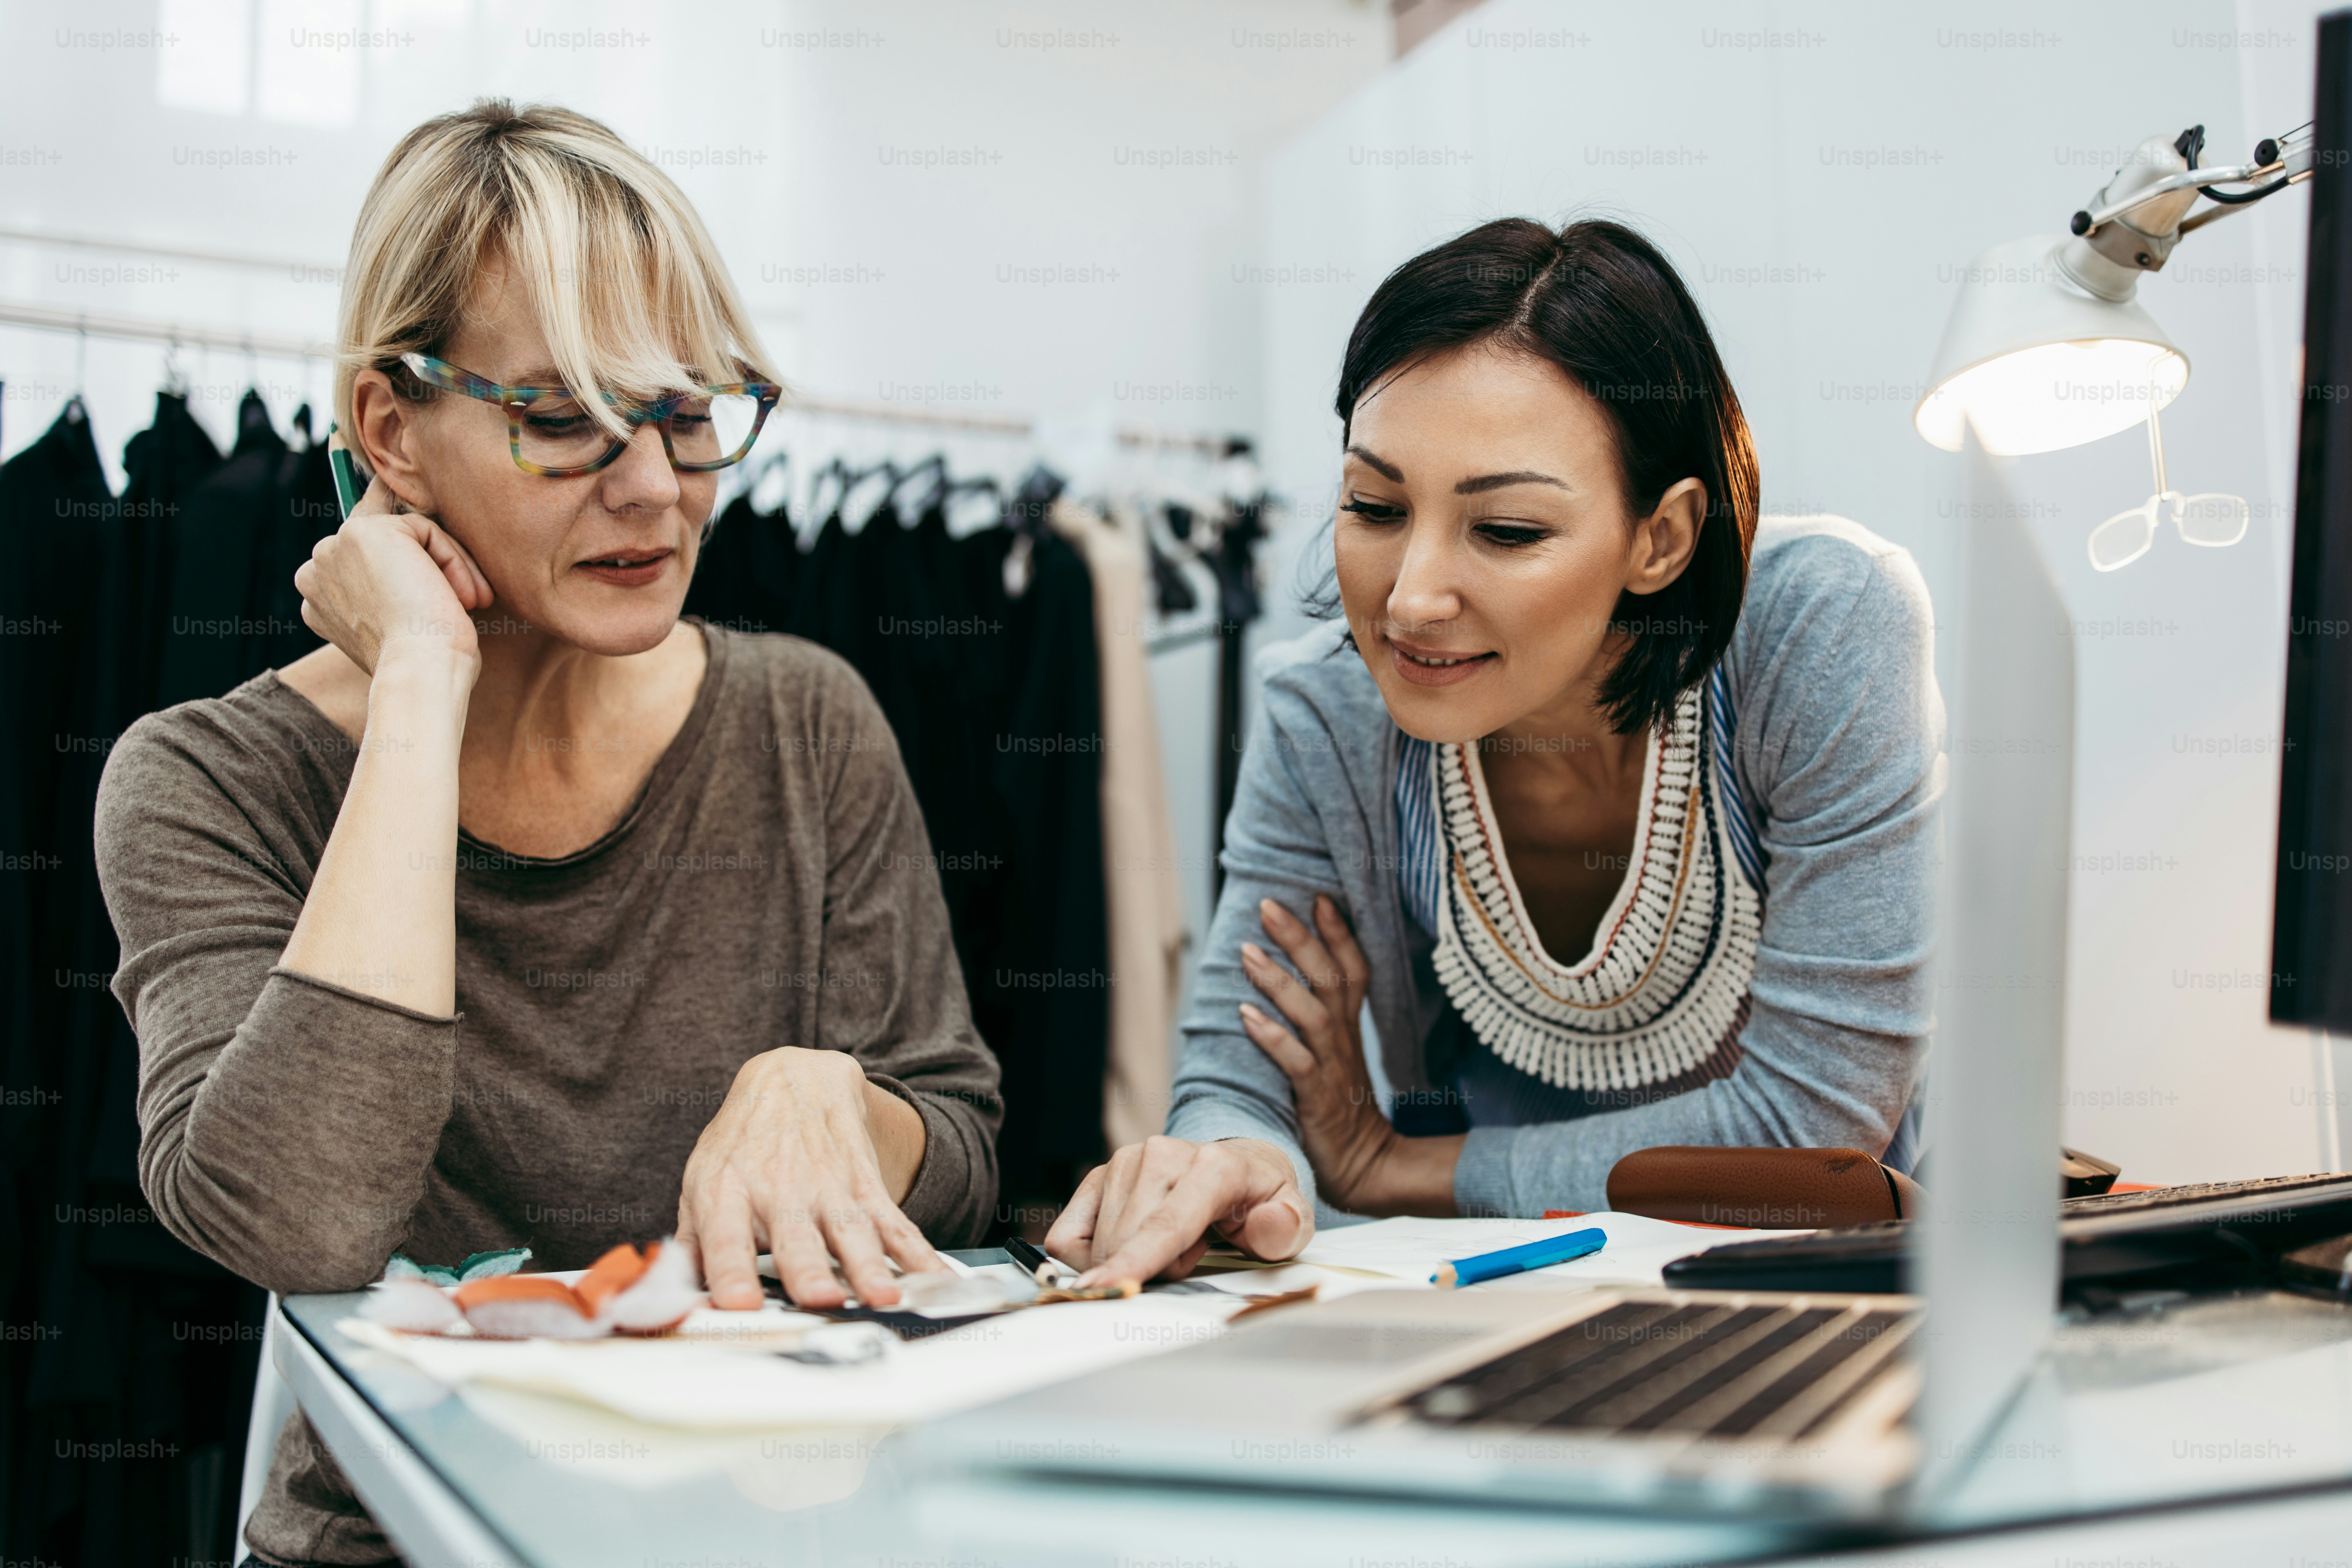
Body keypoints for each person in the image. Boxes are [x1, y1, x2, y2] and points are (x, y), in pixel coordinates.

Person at [93, 101, 1001, 1567]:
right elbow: (302, 1221)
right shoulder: (206, 779)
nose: (653, 487)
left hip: (770, 1526)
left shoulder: (806, 719)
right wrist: (419, 689)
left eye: (690, 411)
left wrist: (834, 1094)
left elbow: (959, 1147)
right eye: (564, 420)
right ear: (391, 428)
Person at [1049, 217, 1942, 1286]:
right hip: (1493, 1301)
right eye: (1375, 507)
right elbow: (1245, 1070)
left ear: (1661, 539)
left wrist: (1396, 1169)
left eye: (1508, 530)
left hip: (1822, 1296)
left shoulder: (1821, 630)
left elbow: (1809, 1129)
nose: (1411, 598)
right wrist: (1234, 1162)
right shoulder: (1325, 718)